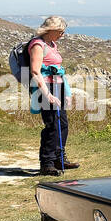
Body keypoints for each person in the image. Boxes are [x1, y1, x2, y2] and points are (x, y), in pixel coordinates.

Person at [28, 16, 78, 176]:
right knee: (52, 126)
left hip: (58, 86)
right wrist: (47, 94)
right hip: (46, 88)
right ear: (50, 30)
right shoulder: (38, 44)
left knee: (62, 125)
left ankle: (59, 158)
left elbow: (59, 69)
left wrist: (67, 92)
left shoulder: (52, 44)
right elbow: (35, 71)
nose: (62, 35)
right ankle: (47, 163)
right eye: (60, 31)